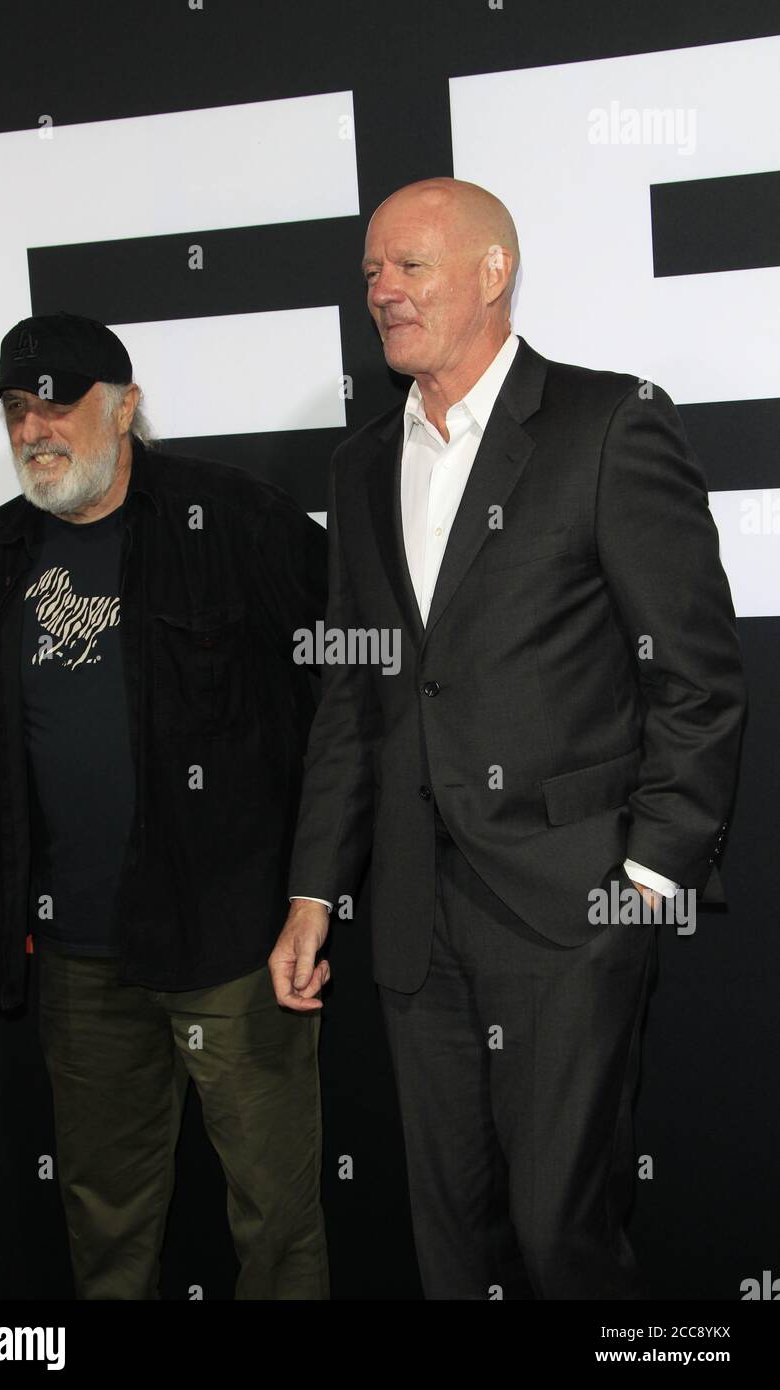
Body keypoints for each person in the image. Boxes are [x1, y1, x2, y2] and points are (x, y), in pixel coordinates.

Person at [270, 178, 746, 1300]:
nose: (381, 290)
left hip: (568, 909)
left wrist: (643, 881)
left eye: (409, 267)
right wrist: (310, 890)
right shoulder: (357, 466)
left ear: (493, 273)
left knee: (557, 1237)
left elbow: (696, 674)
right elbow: (353, 695)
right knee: (449, 1242)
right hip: (406, 922)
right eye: (370, 272)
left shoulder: (605, 424)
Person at [0, 311, 329, 1300]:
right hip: (75, 955)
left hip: (230, 942)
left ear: (126, 406)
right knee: (105, 1217)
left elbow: (347, 702)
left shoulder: (235, 520)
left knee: (275, 1215)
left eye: (60, 404)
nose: (35, 429)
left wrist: (316, 885)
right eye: (18, 409)